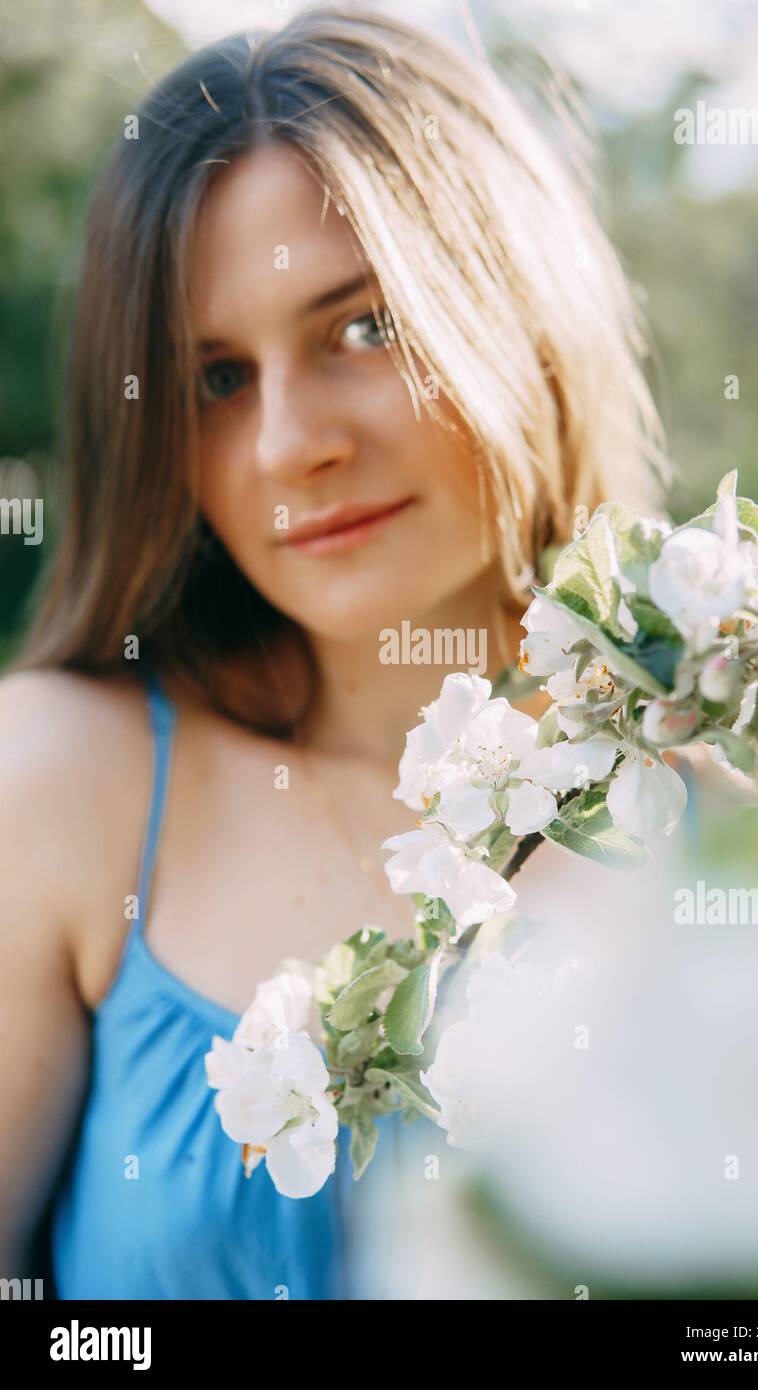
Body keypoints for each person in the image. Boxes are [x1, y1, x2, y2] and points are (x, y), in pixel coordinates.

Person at [0, 5, 665, 1298]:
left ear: (520, 312)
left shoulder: (752, 784)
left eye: (364, 328)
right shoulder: (58, 785)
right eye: (214, 378)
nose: (289, 445)